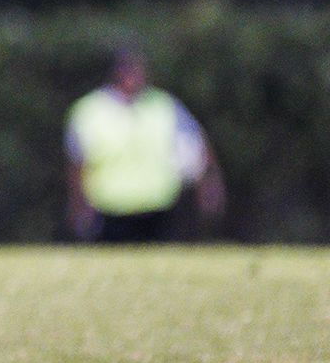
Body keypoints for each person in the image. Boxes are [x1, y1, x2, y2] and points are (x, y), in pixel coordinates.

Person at [67, 47, 225, 242]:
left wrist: (208, 186)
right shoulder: (90, 109)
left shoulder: (164, 105)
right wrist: (79, 205)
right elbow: (78, 161)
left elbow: (197, 147)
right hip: (110, 208)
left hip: (159, 206)